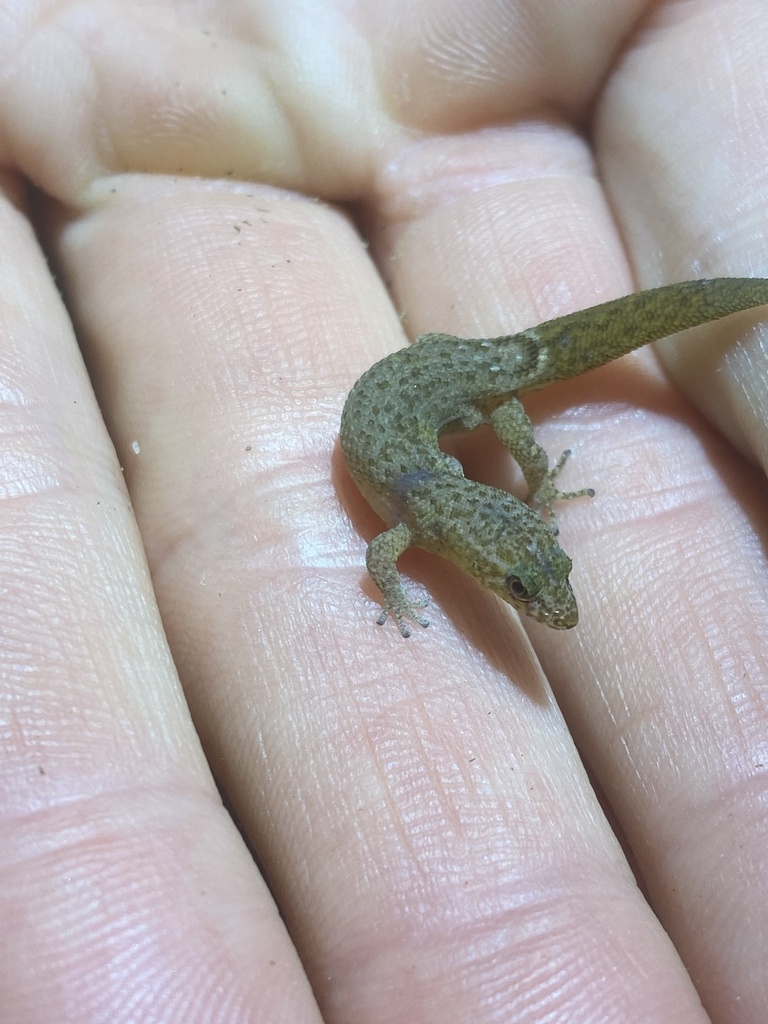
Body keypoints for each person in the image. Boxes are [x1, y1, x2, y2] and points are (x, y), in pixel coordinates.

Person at [1, 3, 765, 1021]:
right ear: (474, 548)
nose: (544, 604)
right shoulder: (415, 519)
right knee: (516, 374)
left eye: (537, 575)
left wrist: (526, 500)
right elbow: (382, 561)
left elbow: (414, 539)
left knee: (519, 373)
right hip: (436, 384)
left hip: (446, 378)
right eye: (524, 582)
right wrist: (408, 589)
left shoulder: (432, 507)